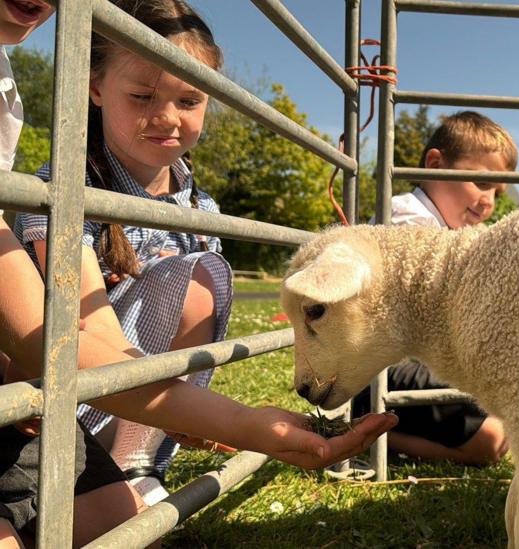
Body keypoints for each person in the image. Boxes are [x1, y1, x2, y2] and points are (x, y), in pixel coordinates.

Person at [0, 1, 396, 547]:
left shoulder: (197, 203)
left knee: (204, 272)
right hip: (80, 385)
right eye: (141, 96)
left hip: (141, 395)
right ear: (94, 88)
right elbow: (83, 340)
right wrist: (227, 420)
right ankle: (125, 465)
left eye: (189, 99)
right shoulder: (62, 186)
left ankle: (139, 463)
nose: (166, 117)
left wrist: (210, 418)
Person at [355, 111, 514, 465]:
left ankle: (370, 431)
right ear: (435, 164)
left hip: (418, 364)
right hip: (380, 372)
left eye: (498, 193)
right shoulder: (406, 219)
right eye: (483, 183)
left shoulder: (446, 230)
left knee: (511, 420)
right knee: (492, 438)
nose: (489, 201)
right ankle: (358, 433)